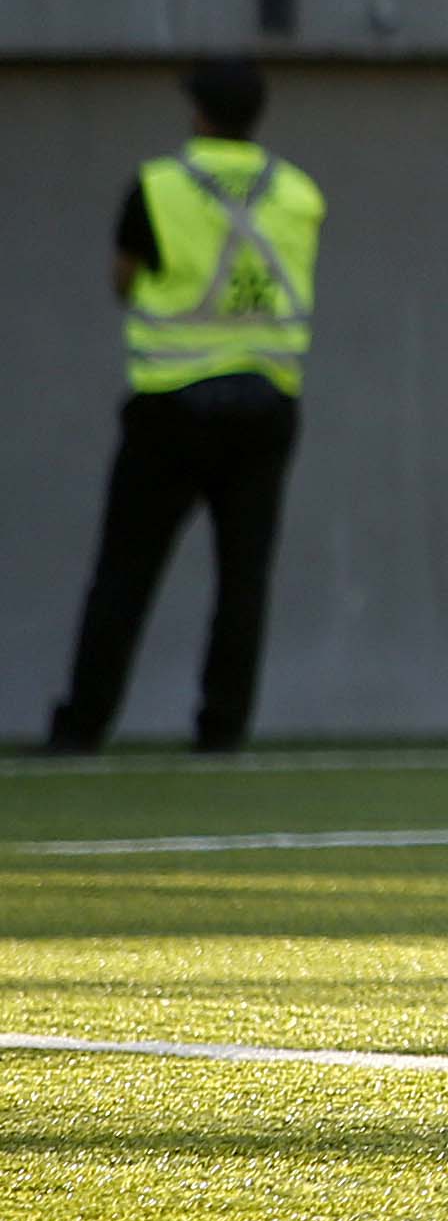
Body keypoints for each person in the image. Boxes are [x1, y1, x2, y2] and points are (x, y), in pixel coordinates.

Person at [46, 58, 321, 753]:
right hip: (265, 403)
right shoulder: (297, 193)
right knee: (243, 578)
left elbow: (125, 277)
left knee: (124, 573)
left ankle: (83, 725)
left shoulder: (159, 187)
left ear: (198, 112)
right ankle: (223, 729)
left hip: (172, 403)